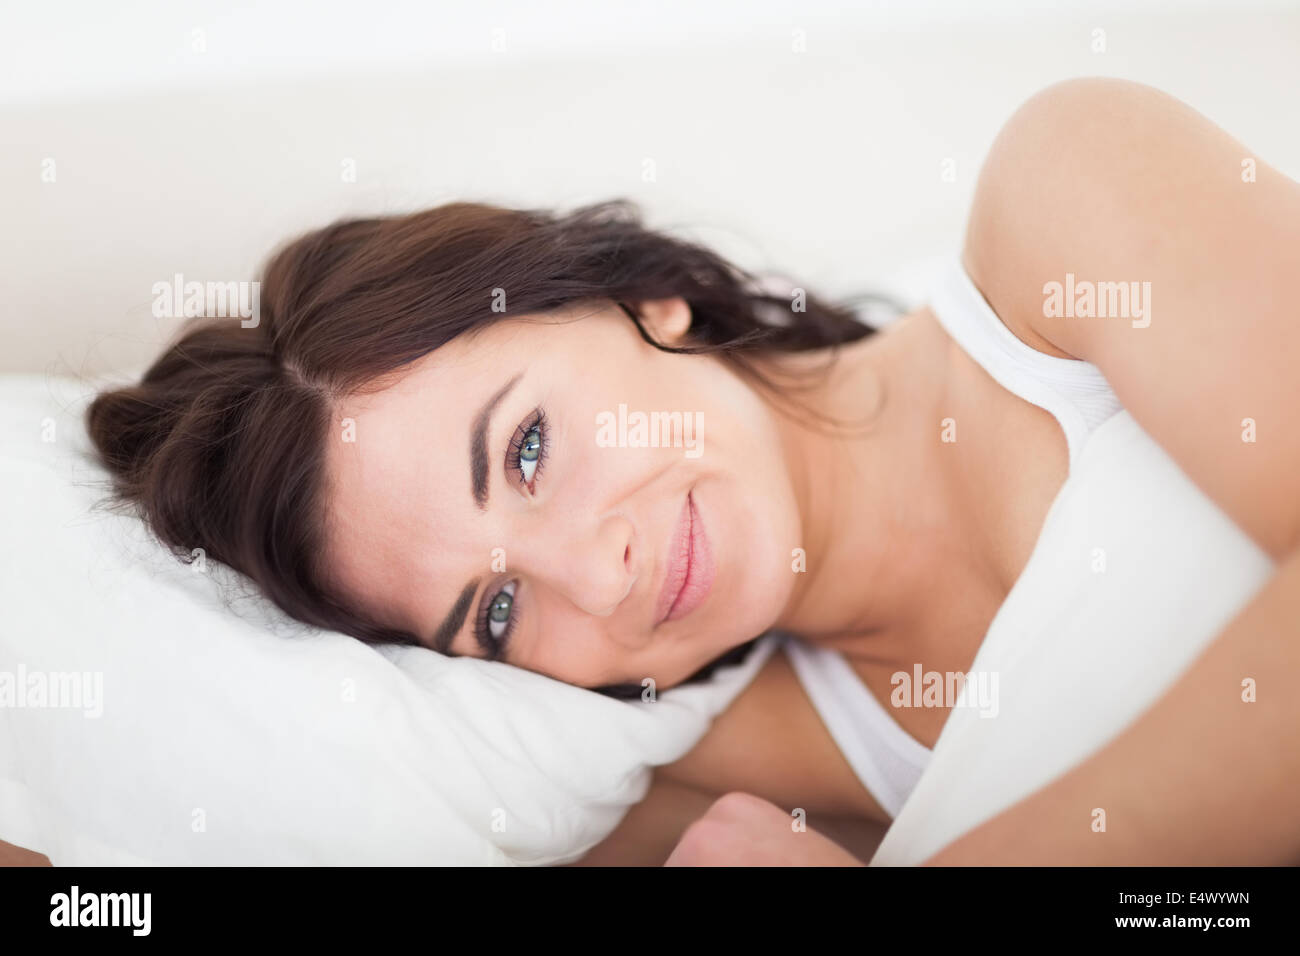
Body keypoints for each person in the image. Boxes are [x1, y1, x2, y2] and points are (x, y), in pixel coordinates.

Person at [87, 77, 1300, 866]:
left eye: (528, 447)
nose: (596, 575)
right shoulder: (722, 780)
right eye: (497, 610)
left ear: (639, 294)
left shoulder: (1064, 198)